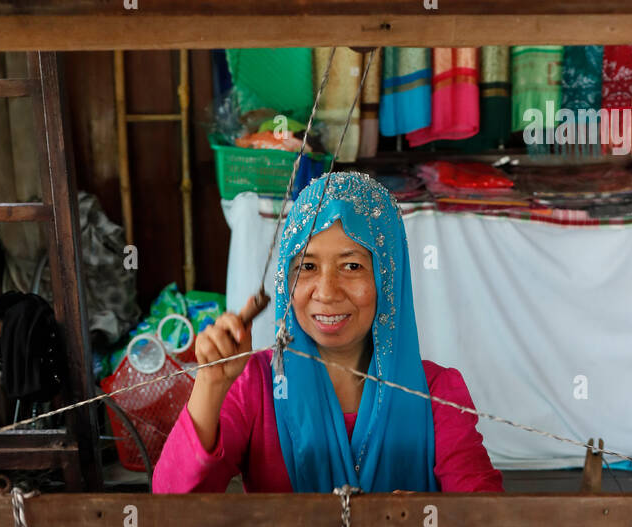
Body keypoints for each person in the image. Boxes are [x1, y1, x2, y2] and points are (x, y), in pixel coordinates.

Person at [153, 170, 503, 494]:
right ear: (285, 278)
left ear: (387, 278)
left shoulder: (438, 392)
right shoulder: (254, 384)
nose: (327, 291)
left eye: (352, 266)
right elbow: (173, 506)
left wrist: (424, 518)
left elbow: (484, 512)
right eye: (306, 266)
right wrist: (210, 384)